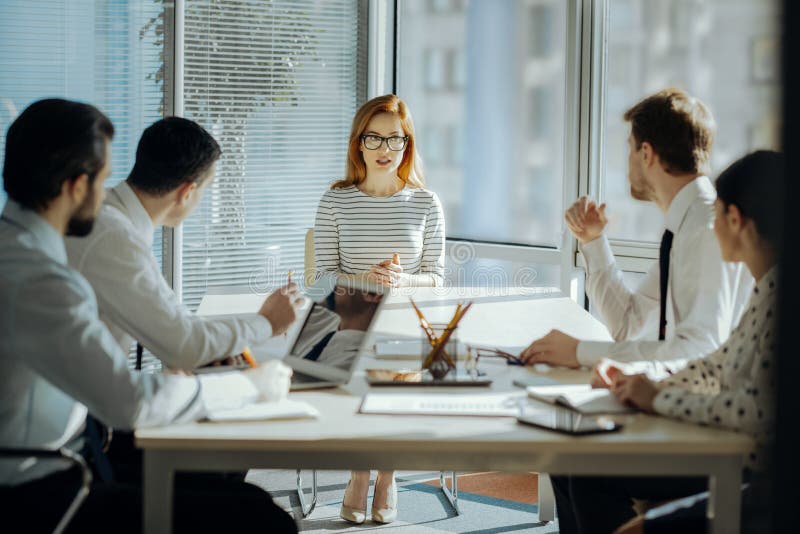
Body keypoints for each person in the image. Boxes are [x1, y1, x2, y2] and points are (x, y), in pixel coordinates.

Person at [0, 99, 298, 533]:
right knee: (258, 518)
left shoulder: (19, 254)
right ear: (75, 187)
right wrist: (247, 387)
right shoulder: (43, 283)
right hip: (41, 492)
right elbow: (131, 402)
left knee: (229, 487)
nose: (105, 197)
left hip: (57, 458)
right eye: (101, 182)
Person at [551, 150, 782, 534]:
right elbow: (715, 364)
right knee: (575, 459)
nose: (713, 225)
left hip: (752, 480)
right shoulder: (766, 290)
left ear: (735, 219)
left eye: (718, 214)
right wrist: (648, 386)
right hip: (727, 452)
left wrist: (658, 398)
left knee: (588, 469)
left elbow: (754, 413)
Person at [521, 89, 752, 377]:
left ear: (646, 153)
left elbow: (698, 350)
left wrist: (580, 352)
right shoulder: (684, 228)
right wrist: (593, 242)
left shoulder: (705, 231)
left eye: (630, 148)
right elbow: (629, 326)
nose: (628, 161)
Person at [66, 116, 299, 372]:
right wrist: (267, 323)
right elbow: (183, 344)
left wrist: (215, 348)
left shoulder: (112, 218)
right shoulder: (113, 237)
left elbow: (173, 320)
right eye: (204, 189)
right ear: (186, 192)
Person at [313, 94, 445, 524]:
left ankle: (379, 475)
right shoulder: (336, 200)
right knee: (377, 365)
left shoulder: (426, 203)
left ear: (408, 145)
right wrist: (364, 282)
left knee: (396, 361)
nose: (386, 150)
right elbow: (322, 279)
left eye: (396, 139)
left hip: (405, 326)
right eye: (375, 138)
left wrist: (404, 281)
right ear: (358, 143)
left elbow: (437, 279)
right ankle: (366, 472)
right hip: (350, 326)